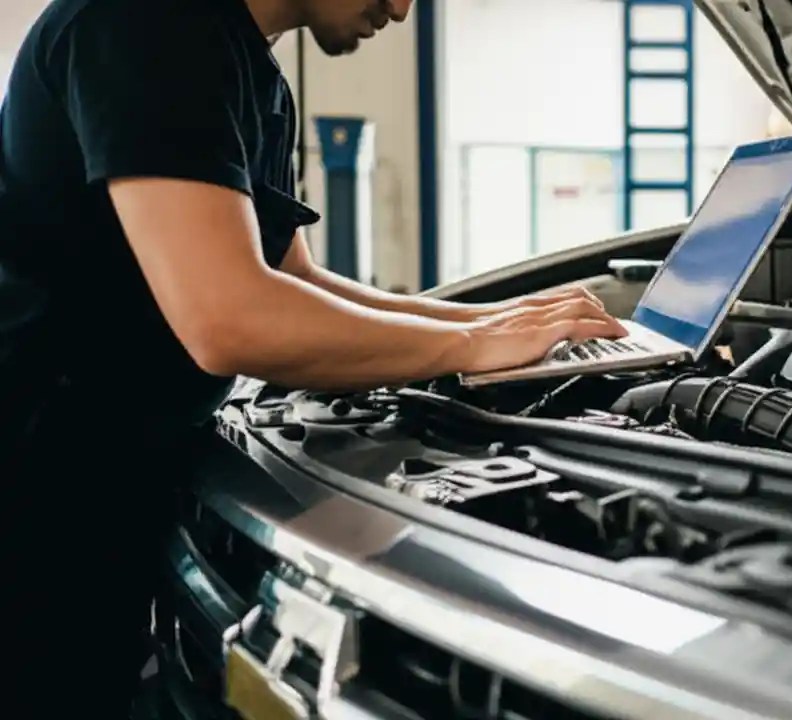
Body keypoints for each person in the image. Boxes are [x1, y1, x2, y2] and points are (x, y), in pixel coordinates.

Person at [0, 0, 623, 714]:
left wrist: (496, 319)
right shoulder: (149, 23)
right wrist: (468, 344)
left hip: (102, 478)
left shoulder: (243, 67)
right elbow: (230, 320)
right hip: (33, 489)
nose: (400, 8)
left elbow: (295, 282)